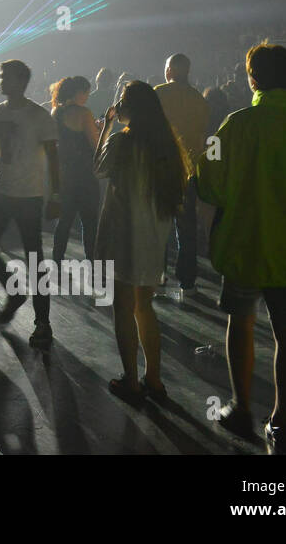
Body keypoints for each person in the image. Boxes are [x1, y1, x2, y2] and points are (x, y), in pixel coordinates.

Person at [196, 44, 286, 453]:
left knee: (241, 322)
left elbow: (208, 181)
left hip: (244, 245)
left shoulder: (236, 124)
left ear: (252, 80)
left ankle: (240, 408)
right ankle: (281, 421)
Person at [94, 81, 188, 404]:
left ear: (130, 108)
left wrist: (106, 127)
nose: (117, 106)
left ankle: (131, 381)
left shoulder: (122, 140)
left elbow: (98, 169)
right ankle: (155, 379)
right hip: (153, 233)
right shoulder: (166, 144)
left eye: (121, 101)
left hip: (124, 232)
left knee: (123, 307)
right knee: (144, 306)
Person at [0, 59, 61, 347]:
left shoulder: (39, 116)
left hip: (29, 196)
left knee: (35, 259)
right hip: (1, 190)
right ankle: (17, 291)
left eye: (4, 78)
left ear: (20, 82)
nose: (0, 82)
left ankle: (43, 322)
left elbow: (53, 159)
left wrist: (55, 194)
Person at [154, 54, 210, 295]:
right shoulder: (199, 99)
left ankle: (157, 274)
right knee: (186, 226)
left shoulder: (158, 93)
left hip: (161, 167)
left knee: (158, 224)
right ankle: (187, 279)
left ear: (169, 70)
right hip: (189, 169)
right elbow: (202, 138)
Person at [50, 76, 100, 263]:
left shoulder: (56, 111)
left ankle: (56, 260)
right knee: (89, 222)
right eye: (86, 92)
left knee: (64, 222)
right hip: (84, 174)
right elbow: (96, 146)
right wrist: (103, 129)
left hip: (64, 173)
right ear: (78, 92)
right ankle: (92, 262)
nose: (87, 96)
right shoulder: (83, 113)